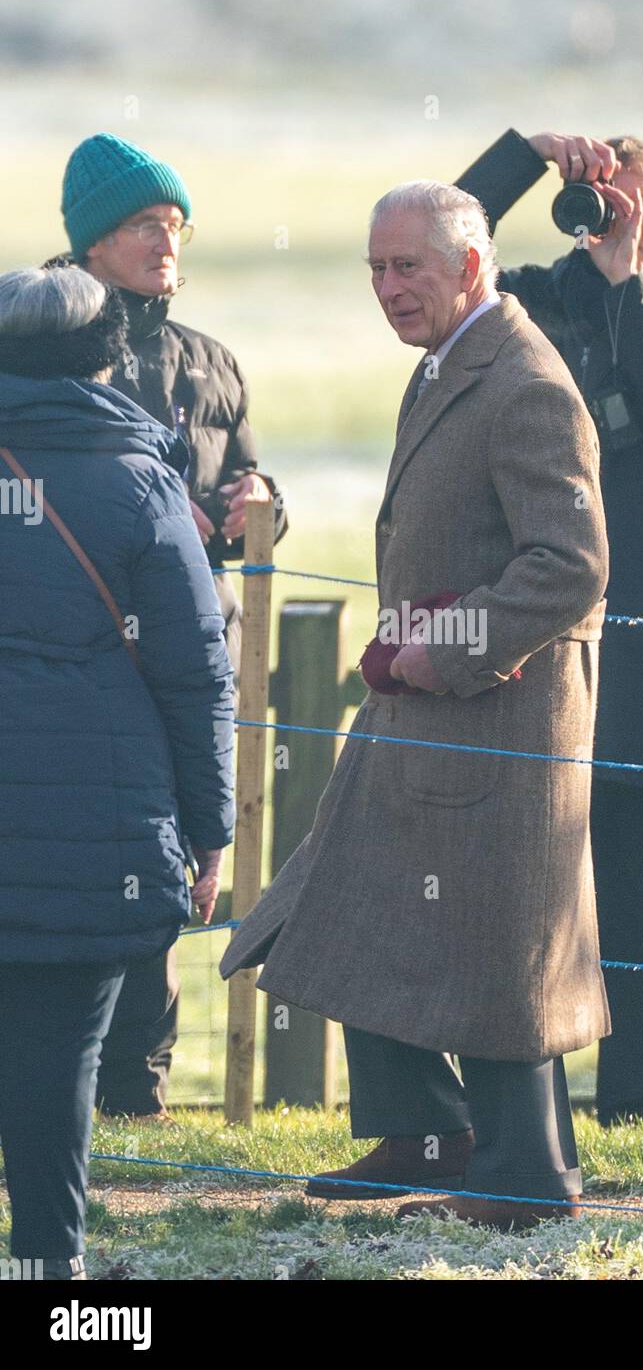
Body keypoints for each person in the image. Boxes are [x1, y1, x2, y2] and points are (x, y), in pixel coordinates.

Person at [221, 180, 610, 1229]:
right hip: (426, 721)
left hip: (496, 725)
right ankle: (423, 1134)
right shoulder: (449, 359)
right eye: (376, 270)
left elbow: (569, 566)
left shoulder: (523, 379)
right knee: (354, 904)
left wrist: (442, 649)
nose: (389, 290)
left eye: (410, 270)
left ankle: (527, 1180)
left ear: (470, 270)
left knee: (496, 947)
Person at [456, 128, 643, 1126]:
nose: (603, 213)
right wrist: (521, 157)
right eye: (591, 196)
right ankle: (522, 1109)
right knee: (517, 863)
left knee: (632, 864)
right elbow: (440, 247)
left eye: (622, 197)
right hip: (537, 616)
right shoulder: (541, 298)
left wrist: (627, 280)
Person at [0, 266, 235, 1279]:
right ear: (105, 360)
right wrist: (209, 825)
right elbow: (196, 672)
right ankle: (52, 1271)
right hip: (96, 827)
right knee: (60, 1055)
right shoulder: (140, 480)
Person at [52, 132, 287, 1119]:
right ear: (95, 239)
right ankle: (50, 1077)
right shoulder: (39, 345)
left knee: (166, 862)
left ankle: (135, 1089)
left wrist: (255, 501)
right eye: (147, 224)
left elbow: (259, 489)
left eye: (176, 225)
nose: (166, 243)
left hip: (188, 655)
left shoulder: (209, 360)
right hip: (71, 654)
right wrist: (151, 518)